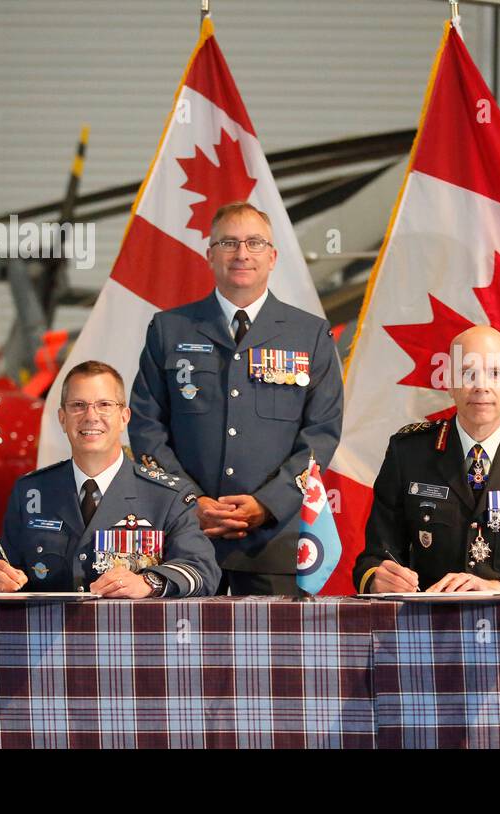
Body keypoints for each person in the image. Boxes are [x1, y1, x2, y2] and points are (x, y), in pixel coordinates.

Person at [128, 201, 343, 595]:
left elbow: (321, 434)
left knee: (274, 656)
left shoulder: (309, 335)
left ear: (273, 257)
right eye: (228, 242)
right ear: (209, 255)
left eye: (255, 243)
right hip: (182, 538)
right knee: (181, 656)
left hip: (274, 541)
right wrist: (190, 501)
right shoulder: (169, 330)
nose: (242, 253)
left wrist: (268, 503)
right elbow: (145, 426)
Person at [354, 326, 500, 595]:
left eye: (495, 374)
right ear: (448, 382)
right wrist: (377, 579)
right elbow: (374, 559)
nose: (481, 387)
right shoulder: (408, 454)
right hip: (431, 625)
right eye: (468, 373)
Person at [0, 360, 219, 597]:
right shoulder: (32, 493)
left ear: (124, 417)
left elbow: (203, 571)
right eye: (78, 405)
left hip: (131, 632)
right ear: (63, 418)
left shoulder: (167, 496)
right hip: (51, 632)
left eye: (104, 404)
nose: (91, 416)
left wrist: (149, 582)